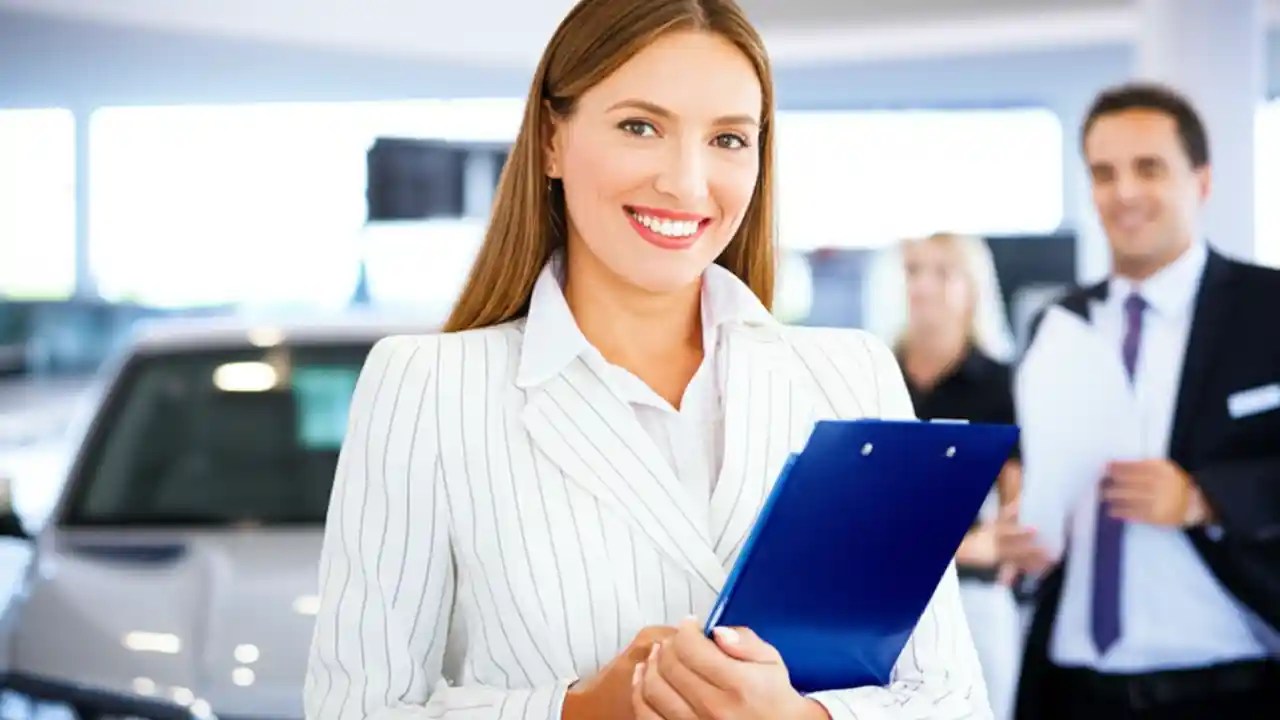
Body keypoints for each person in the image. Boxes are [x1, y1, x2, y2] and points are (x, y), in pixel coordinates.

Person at [303, 1, 990, 718]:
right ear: (551, 140)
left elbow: (954, 699)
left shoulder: (851, 374)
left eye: (728, 139)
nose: (687, 183)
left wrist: (800, 717)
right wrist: (577, 712)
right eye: (641, 127)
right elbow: (353, 708)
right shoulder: (428, 389)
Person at [1001, 82, 1280, 719]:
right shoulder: (1058, 325)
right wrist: (1029, 525)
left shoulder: (1269, 310)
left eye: (1149, 168)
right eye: (1104, 173)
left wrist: (1207, 497)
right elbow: (1040, 467)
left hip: (1229, 689)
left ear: (1202, 181)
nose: (1124, 192)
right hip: (1072, 689)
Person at [892, 232, 1022, 719]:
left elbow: (1014, 516)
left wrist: (963, 549)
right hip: (890, 598)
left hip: (973, 597)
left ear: (973, 287)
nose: (923, 286)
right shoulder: (877, 371)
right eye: (913, 271)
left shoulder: (1002, 384)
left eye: (941, 273)